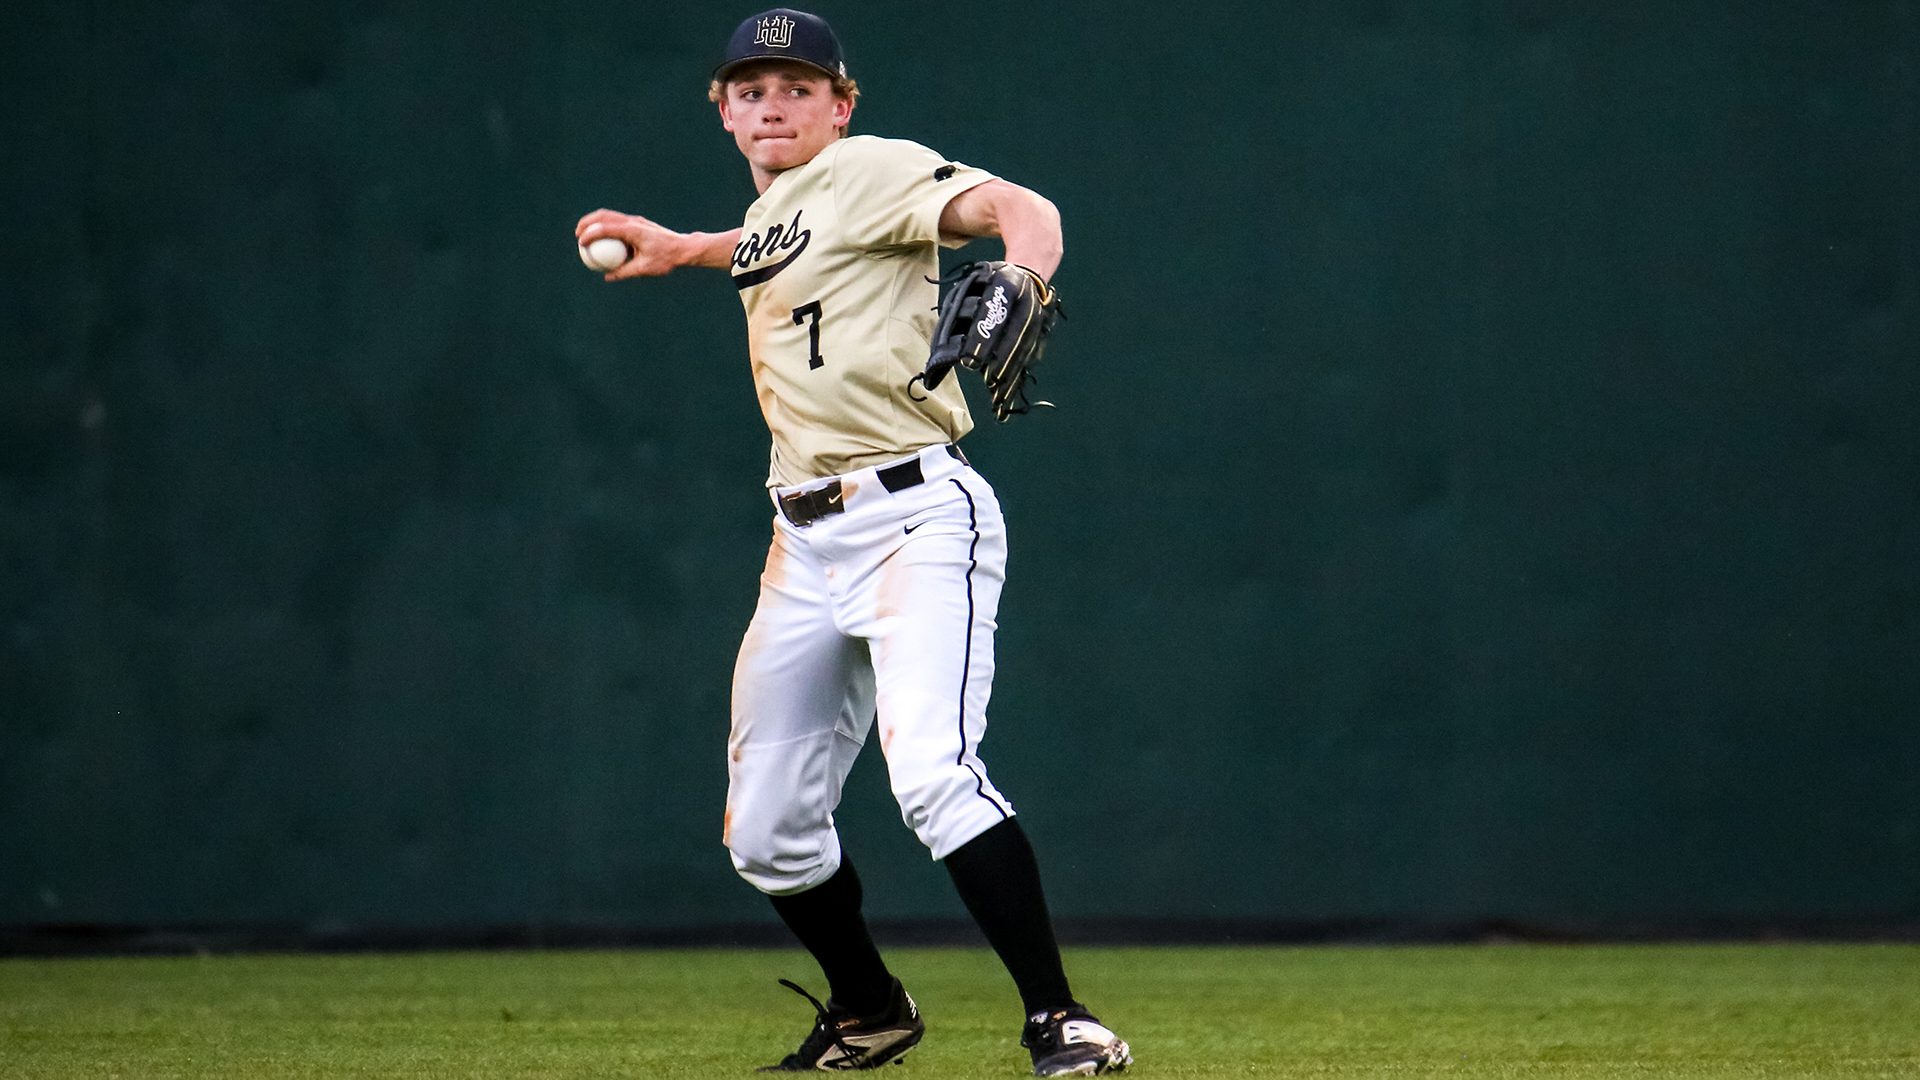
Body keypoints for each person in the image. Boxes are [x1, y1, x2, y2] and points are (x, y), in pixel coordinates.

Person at [575, 9, 1131, 1076]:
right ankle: (869, 1006)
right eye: (749, 89)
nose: (770, 103)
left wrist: (1022, 273)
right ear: (725, 113)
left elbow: (1023, 207)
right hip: (802, 541)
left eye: (794, 87)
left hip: (914, 516)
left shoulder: (871, 167)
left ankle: (1060, 1018)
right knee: (766, 833)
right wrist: (685, 247)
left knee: (932, 775)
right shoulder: (784, 206)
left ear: (841, 105)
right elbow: (779, 248)